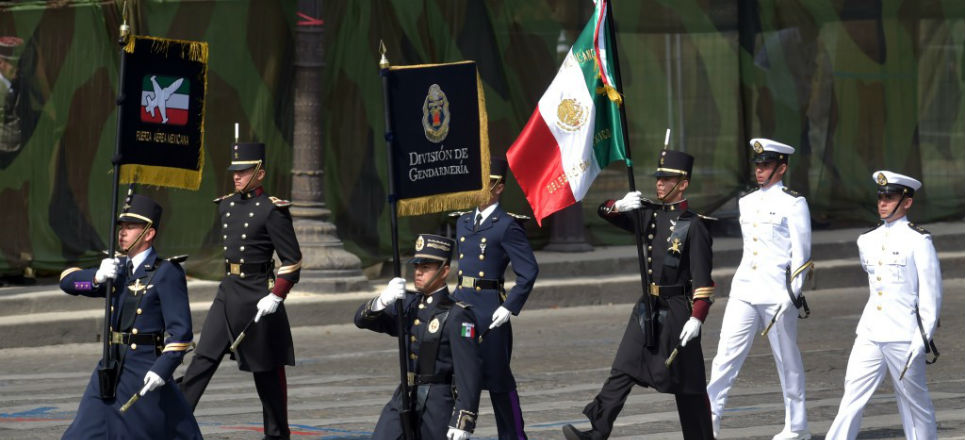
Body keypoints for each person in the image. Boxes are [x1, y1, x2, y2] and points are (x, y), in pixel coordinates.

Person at [562, 149, 715, 440]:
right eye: (658, 178)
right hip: (648, 307)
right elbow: (603, 212)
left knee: (689, 385)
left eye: (667, 179)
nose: (659, 183)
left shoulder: (693, 225)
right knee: (623, 368)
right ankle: (597, 431)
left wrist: (697, 317)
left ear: (682, 184)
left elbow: (704, 281)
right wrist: (618, 205)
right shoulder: (649, 215)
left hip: (677, 310)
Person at [179, 141, 302, 440]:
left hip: (258, 296)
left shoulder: (272, 210)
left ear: (260, 173)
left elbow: (292, 260)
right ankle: (172, 422)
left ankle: (276, 435)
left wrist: (277, 295)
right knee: (202, 360)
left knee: (267, 374)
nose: (236, 176)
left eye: (244, 171)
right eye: (234, 171)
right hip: (228, 292)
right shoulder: (226, 204)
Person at [59, 194, 201, 439]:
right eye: (121, 227)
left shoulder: (166, 272)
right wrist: (97, 277)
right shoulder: (117, 270)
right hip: (110, 368)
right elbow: (67, 282)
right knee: (81, 433)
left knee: (153, 431)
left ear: (149, 234)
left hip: (142, 368)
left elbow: (181, 332)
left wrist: (163, 368)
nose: (122, 233)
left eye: (131, 227)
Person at [705, 138, 813, 440]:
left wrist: (791, 295)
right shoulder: (746, 202)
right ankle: (709, 420)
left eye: (766, 165)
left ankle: (797, 426)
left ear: (782, 167)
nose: (760, 170)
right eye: (758, 165)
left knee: (786, 359)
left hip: (777, 294)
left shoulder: (793, 203)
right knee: (725, 356)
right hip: (745, 289)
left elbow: (802, 257)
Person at [825, 170, 942, 439]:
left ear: (907, 202)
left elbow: (930, 295)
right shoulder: (866, 240)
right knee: (851, 397)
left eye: (890, 197)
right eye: (880, 197)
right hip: (869, 332)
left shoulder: (919, 241)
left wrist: (921, 339)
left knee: (914, 404)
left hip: (904, 334)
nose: (883, 203)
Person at [356, 234, 481, 440]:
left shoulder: (457, 314)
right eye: (416, 267)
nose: (418, 273)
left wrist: (463, 419)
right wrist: (382, 300)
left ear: (444, 271)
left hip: (437, 403)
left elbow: (469, 371)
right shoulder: (408, 305)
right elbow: (362, 320)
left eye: (426, 267)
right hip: (405, 396)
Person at [452, 156, 538, 440]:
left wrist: (509, 306)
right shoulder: (463, 222)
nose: (478, 190)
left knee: (499, 379)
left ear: (499, 187)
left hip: (490, 310)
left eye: (485, 185)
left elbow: (528, 271)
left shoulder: (506, 225)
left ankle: (514, 436)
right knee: (456, 377)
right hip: (460, 305)